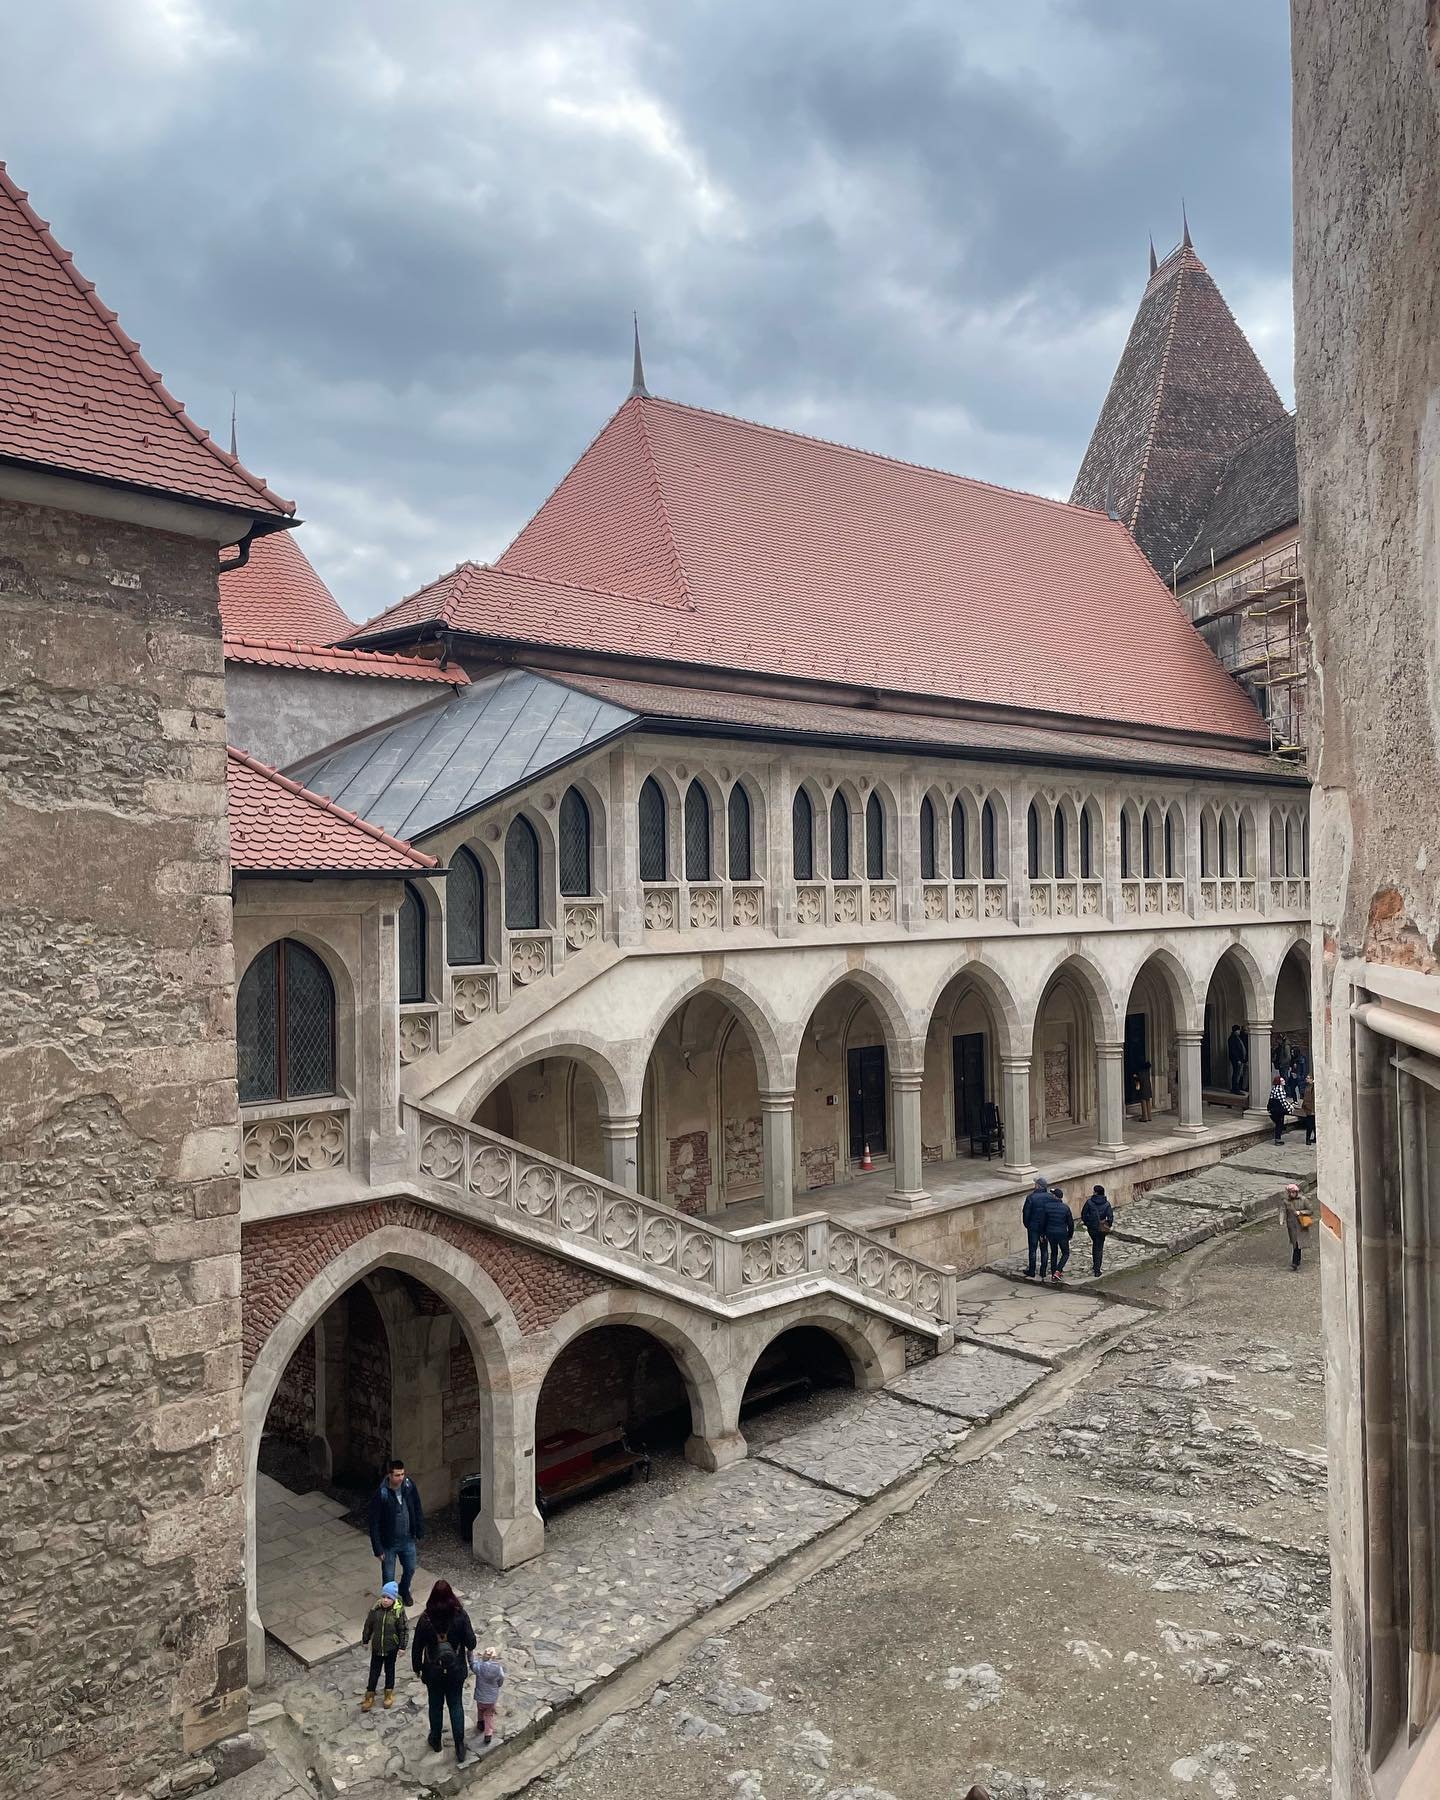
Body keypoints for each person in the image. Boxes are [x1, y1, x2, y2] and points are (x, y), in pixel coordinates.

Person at [412, 1579, 477, 1763]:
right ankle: (459, 1745)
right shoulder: (460, 1615)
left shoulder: (425, 1619)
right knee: (456, 1704)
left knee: (435, 1705)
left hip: (433, 1671)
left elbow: (417, 1647)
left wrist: (417, 1668)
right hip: (456, 1669)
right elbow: (471, 1642)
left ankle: (436, 1739)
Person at [368, 1458, 424, 1607]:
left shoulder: (409, 1486)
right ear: (389, 1475)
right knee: (388, 1576)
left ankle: (404, 1590)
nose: (401, 1478)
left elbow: (416, 1507)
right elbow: (374, 1523)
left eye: (402, 1474)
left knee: (410, 1568)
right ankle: (389, 1603)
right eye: (397, 1475)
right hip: (389, 1543)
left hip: (407, 1539)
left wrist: (419, 1529)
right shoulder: (382, 1494)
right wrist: (378, 1548)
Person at [360, 1580, 408, 1712]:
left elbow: (403, 1629)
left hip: (391, 1647)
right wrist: (365, 1639)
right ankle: (369, 1695)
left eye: (389, 1598)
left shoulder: (398, 1612)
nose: (385, 1600)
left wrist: (402, 1646)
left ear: (393, 1599)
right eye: (384, 1597)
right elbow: (368, 1625)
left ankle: (388, 1693)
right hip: (377, 1647)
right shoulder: (376, 1610)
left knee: (389, 1670)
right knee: (374, 1672)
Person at [472, 1644, 505, 1748]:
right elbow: (501, 1679)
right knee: (489, 1715)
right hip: (491, 1699)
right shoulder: (498, 1669)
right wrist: (498, 1685)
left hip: (480, 1697)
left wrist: (470, 1654)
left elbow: (472, 1665)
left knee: (480, 1710)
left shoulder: (479, 1667)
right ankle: (488, 1733)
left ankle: (480, 1723)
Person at [1080, 1184, 1114, 1277]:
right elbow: (1110, 1217)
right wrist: (1107, 1225)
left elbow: (1083, 1215)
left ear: (1095, 1193)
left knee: (1095, 1245)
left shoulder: (1089, 1202)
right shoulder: (1107, 1204)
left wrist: (1088, 1223)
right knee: (1099, 1248)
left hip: (1092, 1228)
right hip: (1102, 1229)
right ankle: (1097, 1269)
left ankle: (1095, 1266)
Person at [1043, 1184, 1074, 1283]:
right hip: (1062, 1233)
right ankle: (1058, 1270)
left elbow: (1043, 1222)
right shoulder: (1065, 1208)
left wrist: (1043, 1234)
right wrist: (1070, 1234)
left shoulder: (1047, 1207)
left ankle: (1054, 1273)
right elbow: (1070, 1223)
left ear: (1055, 1196)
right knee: (1065, 1253)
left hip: (1050, 1233)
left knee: (1054, 1253)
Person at [1022, 1177, 1051, 1279]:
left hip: (1033, 1226)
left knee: (1033, 1249)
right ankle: (1043, 1271)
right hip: (1045, 1227)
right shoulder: (1050, 1197)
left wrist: (1027, 1224)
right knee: (1044, 1249)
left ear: (1038, 1186)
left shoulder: (1031, 1197)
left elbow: (1026, 1213)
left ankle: (1032, 1271)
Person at [1281, 1183, 1309, 1271]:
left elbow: (1310, 1210)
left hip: (1300, 1225)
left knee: (1297, 1243)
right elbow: (1283, 1211)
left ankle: (1295, 1262)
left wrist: (1300, 1212)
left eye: (1294, 1192)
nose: (1292, 1194)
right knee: (1294, 1243)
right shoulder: (1286, 1202)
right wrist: (1282, 1220)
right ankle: (1297, 1260)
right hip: (1291, 1226)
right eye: (1291, 1192)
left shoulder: (1303, 1200)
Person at [1267, 1077, 1290, 1145]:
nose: (1284, 1081)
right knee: (1279, 1124)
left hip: (1274, 1109)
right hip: (1278, 1109)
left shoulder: (1274, 1088)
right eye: (1282, 1080)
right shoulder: (1280, 1089)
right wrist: (1289, 1108)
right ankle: (1278, 1139)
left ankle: (1278, 1138)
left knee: (1278, 1124)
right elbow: (1283, 1101)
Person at [1227, 1024, 1248, 1095]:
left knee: (1238, 1074)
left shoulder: (1237, 1037)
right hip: (1236, 1060)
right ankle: (1235, 1089)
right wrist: (1237, 1059)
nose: (1239, 1031)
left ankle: (1237, 1087)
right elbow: (1233, 1051)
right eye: (1238, 1030)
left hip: (1240, 1059)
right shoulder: (1232, 1038)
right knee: (1236, 1074)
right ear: (1235, 1031)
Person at [1302, 1073, 1316, 1145]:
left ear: (1311, 1079)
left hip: (1311, 1109)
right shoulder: (1308, 1086)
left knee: (1311, 1125)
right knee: (1310, 1125)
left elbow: (1311, 1098)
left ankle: (1311, 1138)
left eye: (1308, 1078)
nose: (1306, 1079)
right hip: (1309, 1109)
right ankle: (1308, 1139)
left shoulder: (1313, 1087)